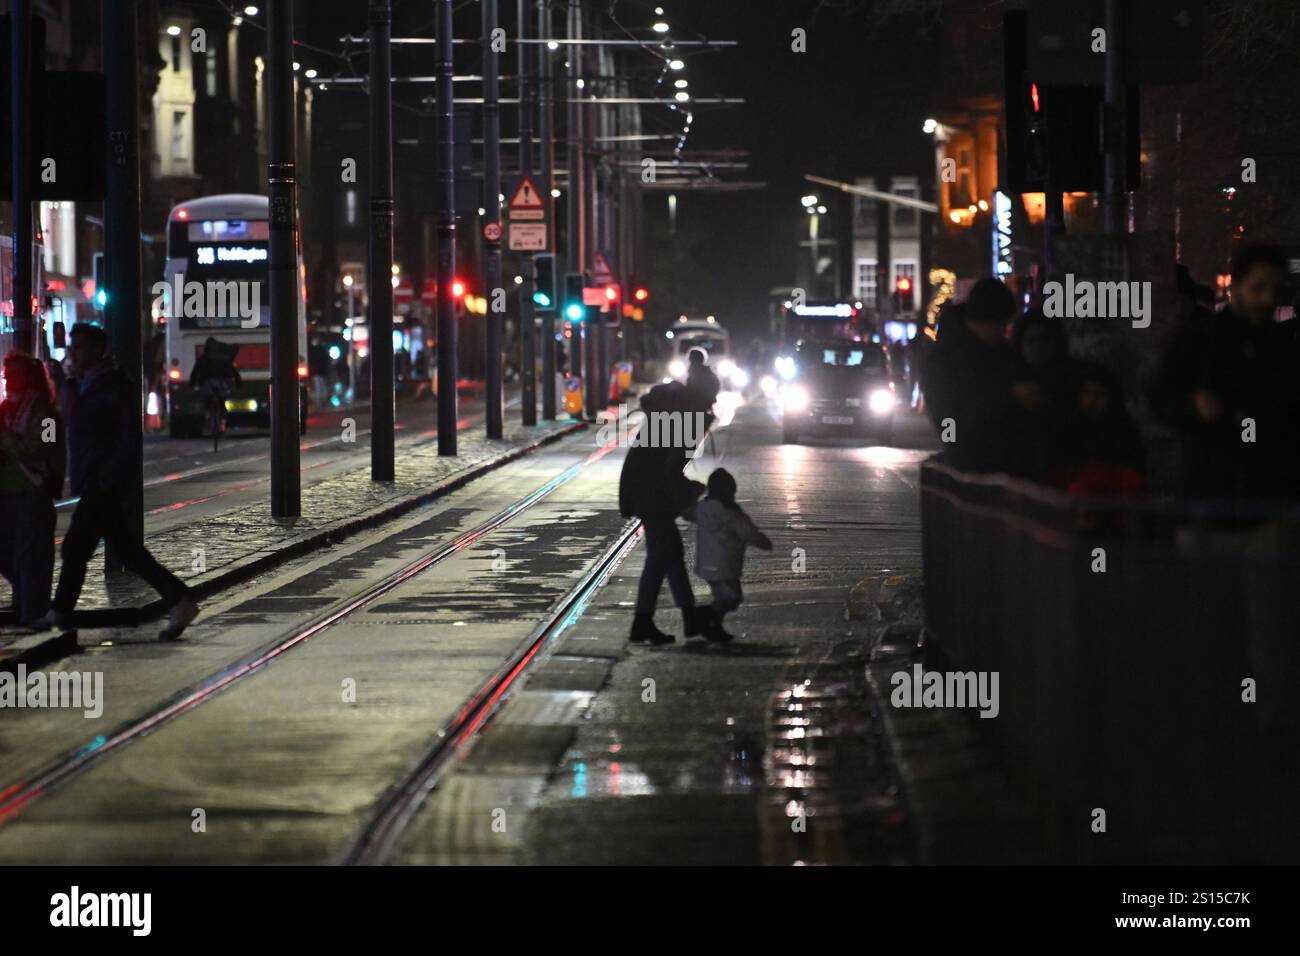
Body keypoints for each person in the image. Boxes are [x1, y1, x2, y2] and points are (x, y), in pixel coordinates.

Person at [37, 324, 200, 639]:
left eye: (79, 348)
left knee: (75, 547)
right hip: (94, 480)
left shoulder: (114, 386)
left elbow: (126, 440)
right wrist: (63, 382)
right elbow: (70, 419)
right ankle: (180, 601)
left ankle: (59, 612)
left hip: (103, 482)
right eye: (72, 348)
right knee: (128, 552)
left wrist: (110, 477)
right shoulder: (83, 384)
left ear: (99, 350)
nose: (73, 353)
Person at [1152, 244, 1300, 499]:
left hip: (1270, 495)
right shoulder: (1200, 337)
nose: (1267, 299)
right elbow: (1161, 394)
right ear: (1237, 286)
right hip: (1210, 491)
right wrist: (1193, 405)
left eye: (1275, 290)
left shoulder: (1283, 344)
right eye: (1258, 288)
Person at [618, 378, 712, 644]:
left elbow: (665, 467)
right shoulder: (683, 424)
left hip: (645, 491)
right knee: (664, 555)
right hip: (650, 494)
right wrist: (688, 494)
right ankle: (650, 621)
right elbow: (671, 470)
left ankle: (679, 617)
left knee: (667, 556)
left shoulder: (670, 419)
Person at [921, 278, 1024, 474]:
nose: (1003, 333)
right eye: (1001, 326)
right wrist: (954, 447)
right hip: (970, 461)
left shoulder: (997, 350)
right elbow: (945, 413)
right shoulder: (947, 358)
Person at [0, 354, 63, 627]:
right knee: (6, 551)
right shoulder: (5, 408)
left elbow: (42, 447)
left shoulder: (46, 412)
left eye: (16, 373)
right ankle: (27, 598)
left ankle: (32, 608)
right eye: (7, 373)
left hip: (33, 490)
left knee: (30, 553)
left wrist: (6, 439)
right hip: (6, 492)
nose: (10, 379)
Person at [683, 468, 772, 643]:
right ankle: (701, 618)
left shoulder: (702, 508)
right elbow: (749, 534)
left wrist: (694, 494)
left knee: (724, 598)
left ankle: (712, 626)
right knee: (731, 597)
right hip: (726, 566)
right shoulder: (732, 514)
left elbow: (687, 512)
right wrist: (764, 542)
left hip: (706, 564)